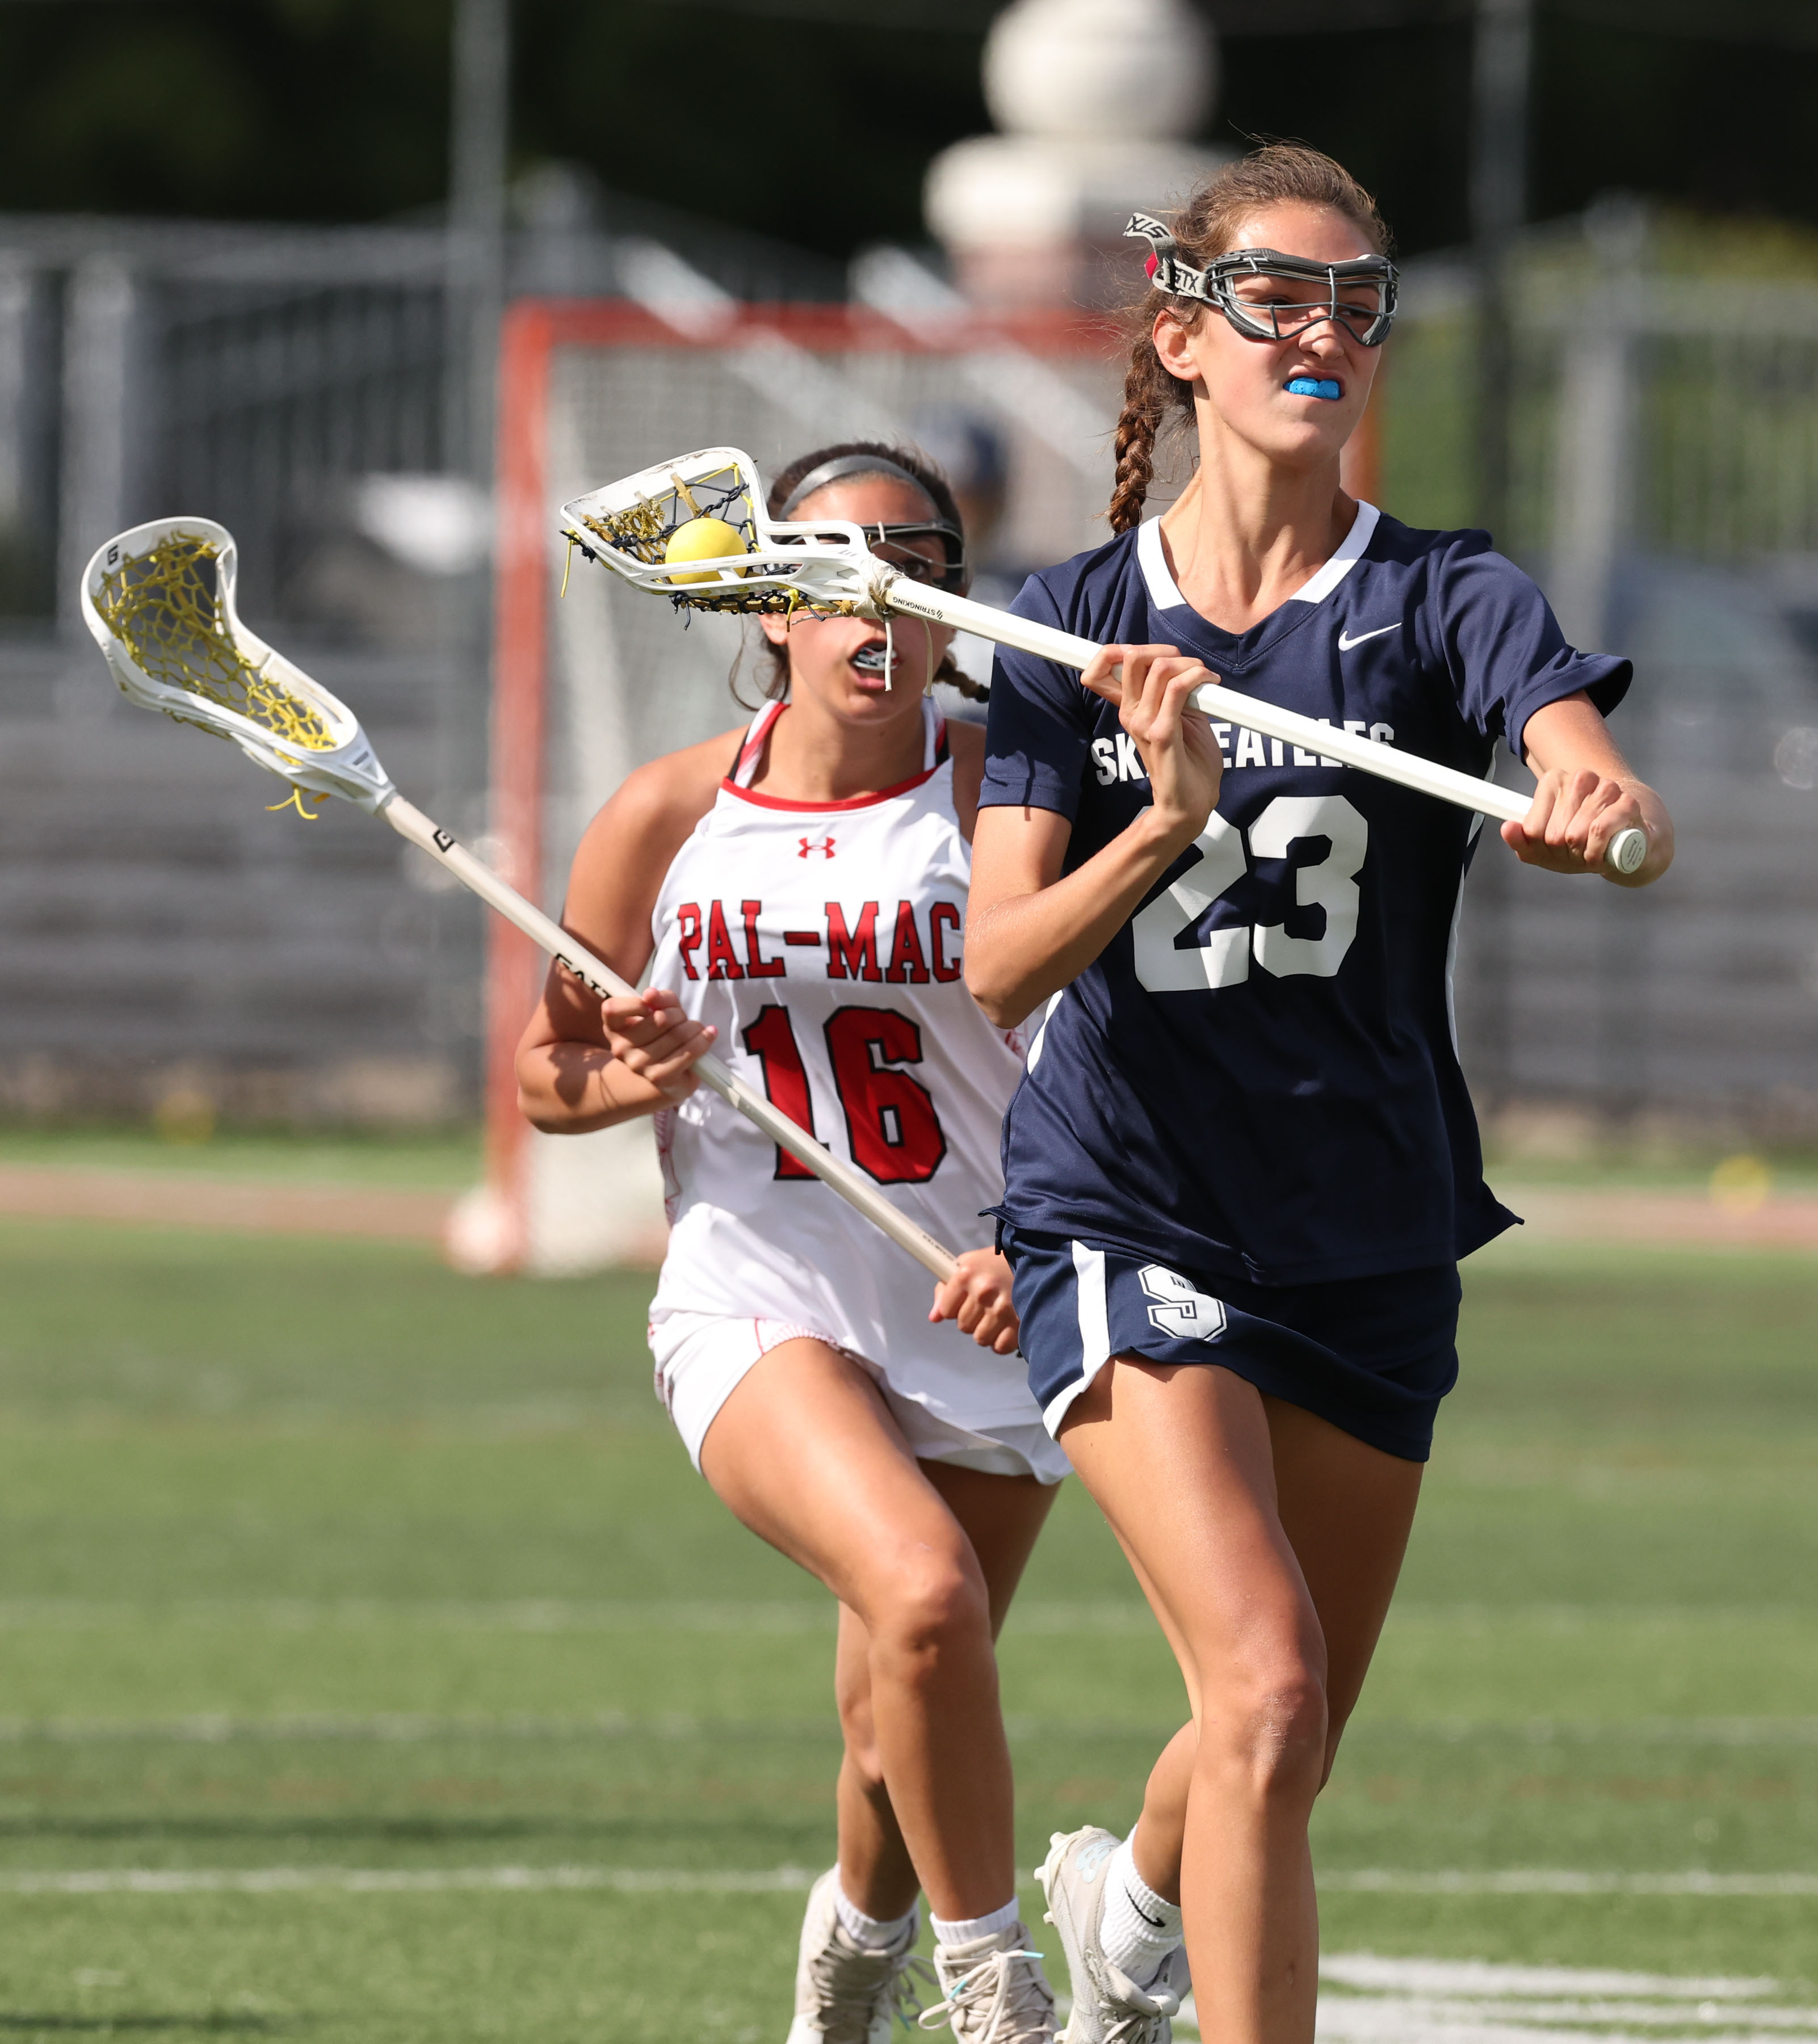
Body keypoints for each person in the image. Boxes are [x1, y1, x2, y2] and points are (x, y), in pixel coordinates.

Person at [962, 146, 1674, 2044]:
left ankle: (1125, 1905)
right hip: (1130, 1204)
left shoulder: (1443, 596)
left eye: (1355, 302)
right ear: (1182, 338)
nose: (1322, 333)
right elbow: (1001, 962)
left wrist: (1593, 790)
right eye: (1276, 297)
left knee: (1280, 1731)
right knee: (1265, 1688)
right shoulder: (1067, 620)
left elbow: (1579, 756)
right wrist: (1162, 826)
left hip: (1364, 1225)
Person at [516, 442, 1065, 2044]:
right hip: (758, 1285)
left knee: (894, 1723)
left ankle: (848, 1961)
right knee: (919, 1595)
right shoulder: (669, 811)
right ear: (768, 605)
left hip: (977, 1296)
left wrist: (1036, 1237)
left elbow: (1106, 1059)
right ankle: (999, 1990)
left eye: (916, 562)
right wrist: (629, 1069)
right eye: (836, 570)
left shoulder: (1005, 797)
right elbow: (547, 1072)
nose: (876, 601)